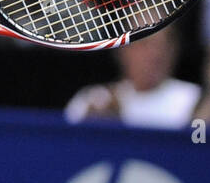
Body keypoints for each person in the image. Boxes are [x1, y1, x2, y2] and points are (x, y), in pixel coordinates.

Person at [64, 29, 200, 129]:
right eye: (144, 44)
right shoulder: (92, 99)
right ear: (122, 49)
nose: (155, 54)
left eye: (163, 45)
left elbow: (202, 147)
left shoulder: (196, 99)